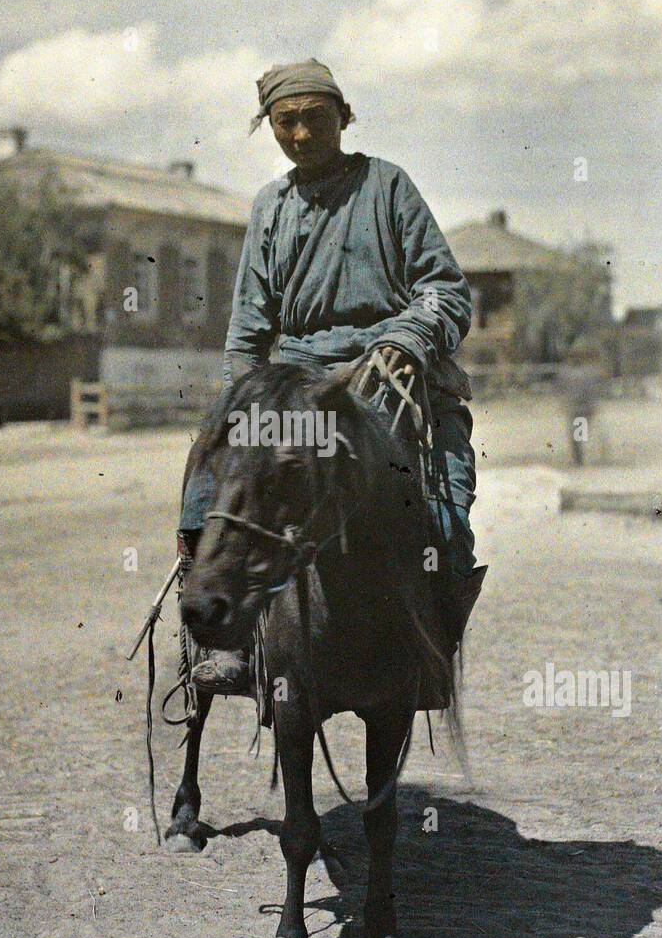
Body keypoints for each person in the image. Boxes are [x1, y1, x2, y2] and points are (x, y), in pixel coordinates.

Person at [179, 58, 483, 693]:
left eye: (314, 118)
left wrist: (408, 335)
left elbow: (446, 290)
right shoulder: (270, 207)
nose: (299, 133)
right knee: (209, 497)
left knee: (448, 518)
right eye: (284, 121)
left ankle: (428, 654)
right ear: (271, 128)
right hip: (296, 389)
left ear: (343, 118)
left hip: (394, 381)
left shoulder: (388, 187)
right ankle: (227, 646)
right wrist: (241, 406)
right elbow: (246, 330)